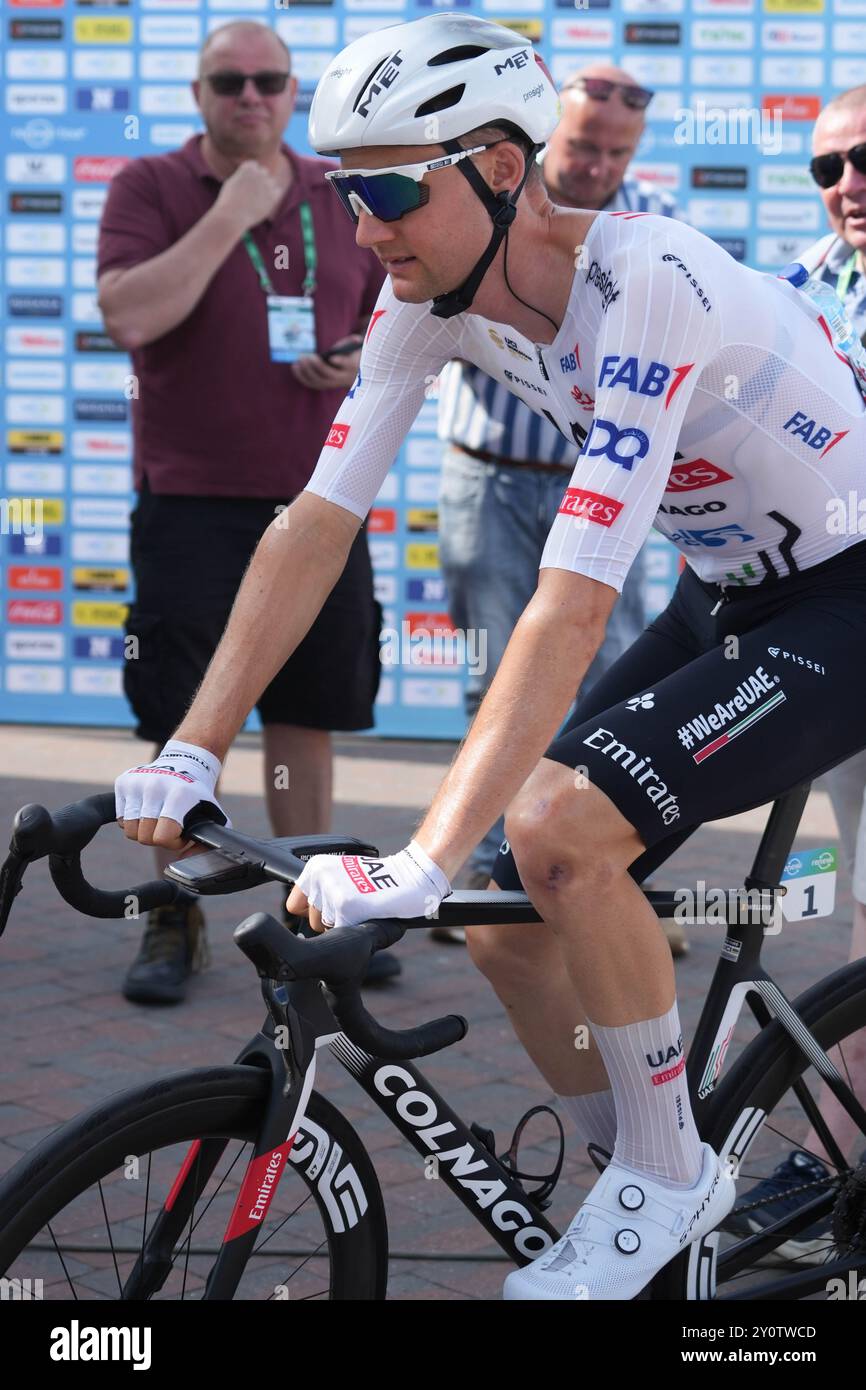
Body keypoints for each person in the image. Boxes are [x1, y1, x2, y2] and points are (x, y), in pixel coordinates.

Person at [114, 15, 866, 1300]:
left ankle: (666, 1180)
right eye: (349, 193)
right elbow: (311, 527)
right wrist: (193, 743)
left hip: (843, 594)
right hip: (729, 588)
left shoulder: (649, 283)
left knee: (555, 831)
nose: (364, 228)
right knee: (506, 917)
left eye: (393, 189)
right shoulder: (429, 305)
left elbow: (570, 608)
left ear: (502, 169)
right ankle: (649, 1164)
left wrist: (414, 858)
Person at [97, 20, 390, 1003]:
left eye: (269, 81)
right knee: (184, 717)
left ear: (293, 90)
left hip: (319, 500)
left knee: (306, 715)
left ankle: (314, 914)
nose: (251, 97)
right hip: (187, 500)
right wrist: (233, 211)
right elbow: (131, 315)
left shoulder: (341, 190)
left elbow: (405, 317)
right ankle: (172, 917)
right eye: (230, 81)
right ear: (199, 93)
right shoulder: (151, 186)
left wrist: (358, 354)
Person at [434, 62, 689, 954]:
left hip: (597, 490)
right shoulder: (485, 206)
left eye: (616, 150)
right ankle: (482, 872)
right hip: (488, 477)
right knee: (500, 678)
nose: (596, 166)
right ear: (547, 138)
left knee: (623, 686)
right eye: (582, 146)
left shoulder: (652, 225)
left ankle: (615, 883)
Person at [725, 85, 866, 1263]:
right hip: (828, 630)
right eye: (825, 167)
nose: (846, 184)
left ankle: (819, 1165)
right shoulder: (787, 293)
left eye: (865, 159)